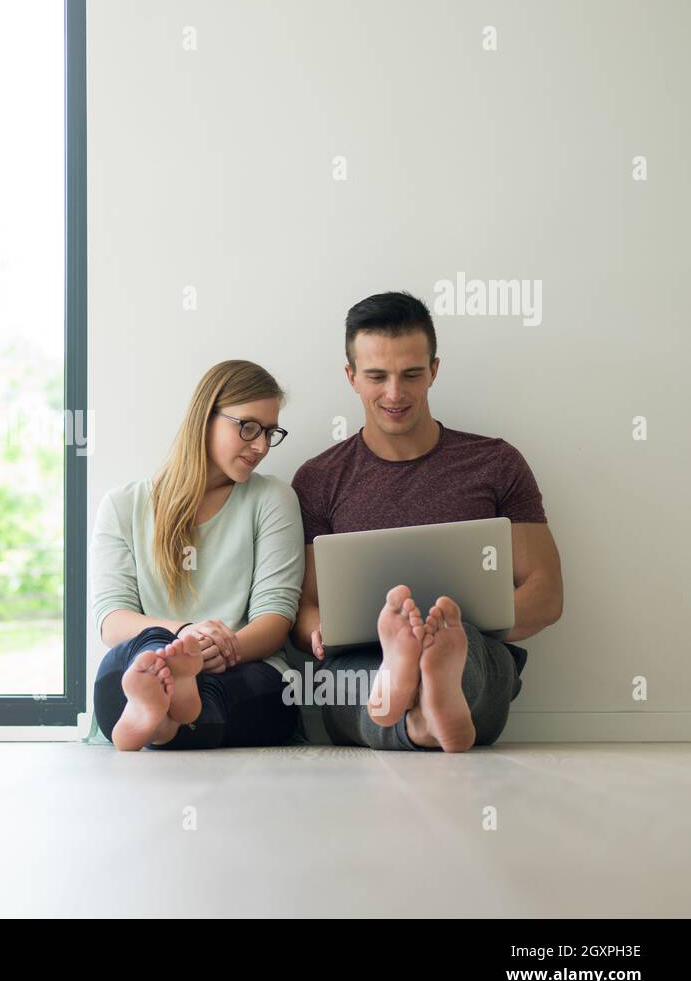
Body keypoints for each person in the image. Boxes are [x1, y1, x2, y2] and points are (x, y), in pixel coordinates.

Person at [291, 292, 565, 752]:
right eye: (377, 376)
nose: (395, 394)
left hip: (471, 648)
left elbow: (546, 593)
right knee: (354, 680)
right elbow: (303, 605)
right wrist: (316, 631)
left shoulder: (495, 463)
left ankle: (423, 692)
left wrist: (438, 632)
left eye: (412, 374)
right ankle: (424, 712)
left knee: (460, 652)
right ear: (351, 377)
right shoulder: (319, 479)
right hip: (361, 657)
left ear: (434, 370)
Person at [90, 359, 304, 751]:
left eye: (271, 432)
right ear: (205, 417)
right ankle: (171, 702)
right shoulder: (123, 506)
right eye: (249, 427)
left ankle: (161, 724)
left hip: (243, 667)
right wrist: (182, 638)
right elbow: (112, 619)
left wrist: (221, 652)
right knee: (126, 663)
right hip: (153, 658)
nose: (261, 446)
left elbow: (276, 618)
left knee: (270, 693)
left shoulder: (272, 499)